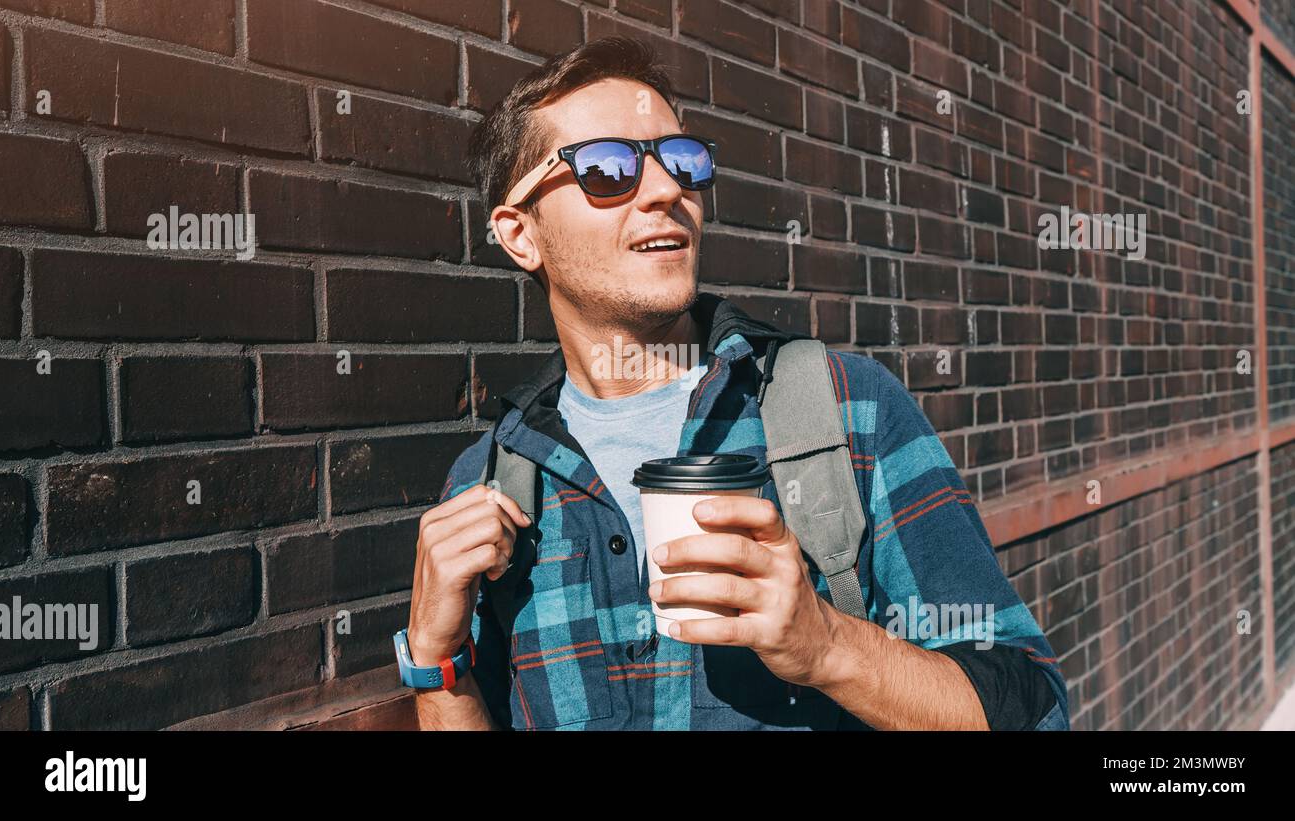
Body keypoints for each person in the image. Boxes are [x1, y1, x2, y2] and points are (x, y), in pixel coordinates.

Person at [403, 36, 1069, 731]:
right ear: (519, 234)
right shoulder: (488, 487)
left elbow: (1033, 708)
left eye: (682, 162)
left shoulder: (846, 411)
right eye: (607, 168)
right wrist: (435, 660)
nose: (667, 192)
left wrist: (827, 646)